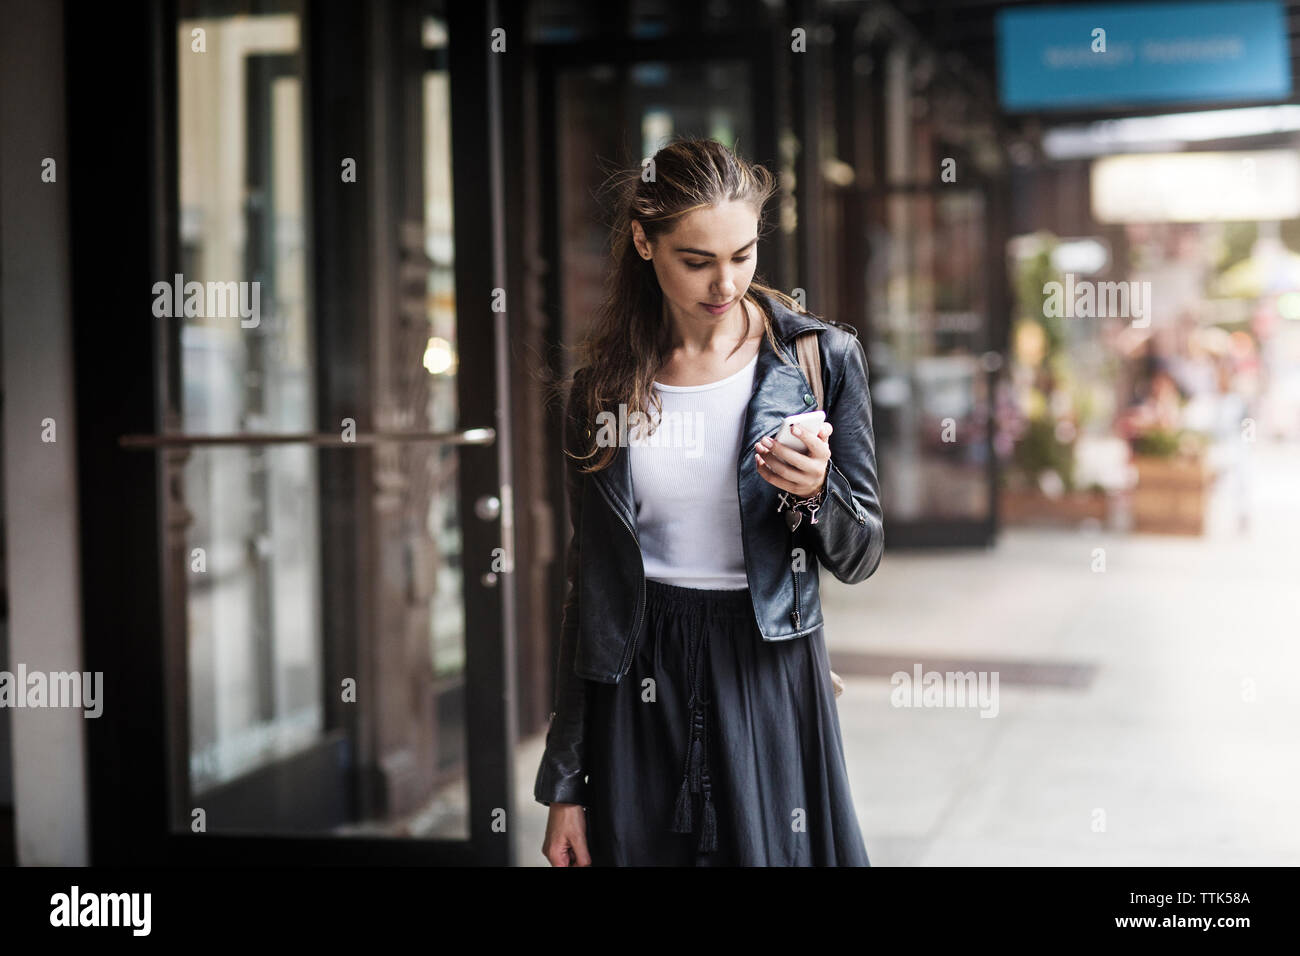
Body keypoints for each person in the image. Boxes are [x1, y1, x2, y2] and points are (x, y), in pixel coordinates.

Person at [534, 137, 884, 866]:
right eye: (697, 261)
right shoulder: (600, 392)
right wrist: (566, 783)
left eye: (743, 255)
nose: (724, 283)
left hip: (767, 665)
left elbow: (863, 554)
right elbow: (588, 588)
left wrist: (818, 493)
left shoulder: (820, 360)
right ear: (643, 241)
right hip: (639, 672)